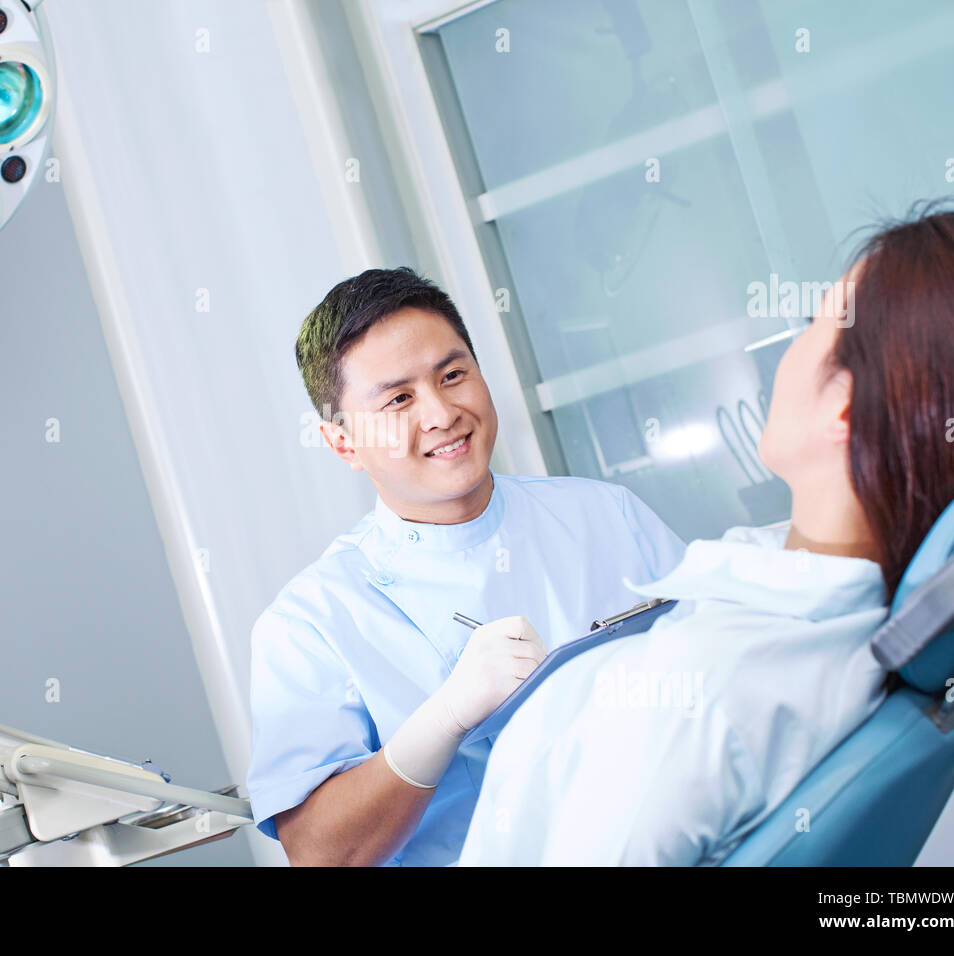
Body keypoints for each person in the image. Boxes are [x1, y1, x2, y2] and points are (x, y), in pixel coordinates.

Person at [459, 203, 954, 865]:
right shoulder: (856, 630)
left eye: (813, 323)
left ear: (846, 404)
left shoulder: (704, 695)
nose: (791, 347)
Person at [246, 268, 687, 865]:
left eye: (453, 376)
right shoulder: (311, 621)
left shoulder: (605, 515)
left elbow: (722, 672)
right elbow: (323, 852)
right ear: (343, 443)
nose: (441, 413)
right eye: (399, 399)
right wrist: (443, 720)